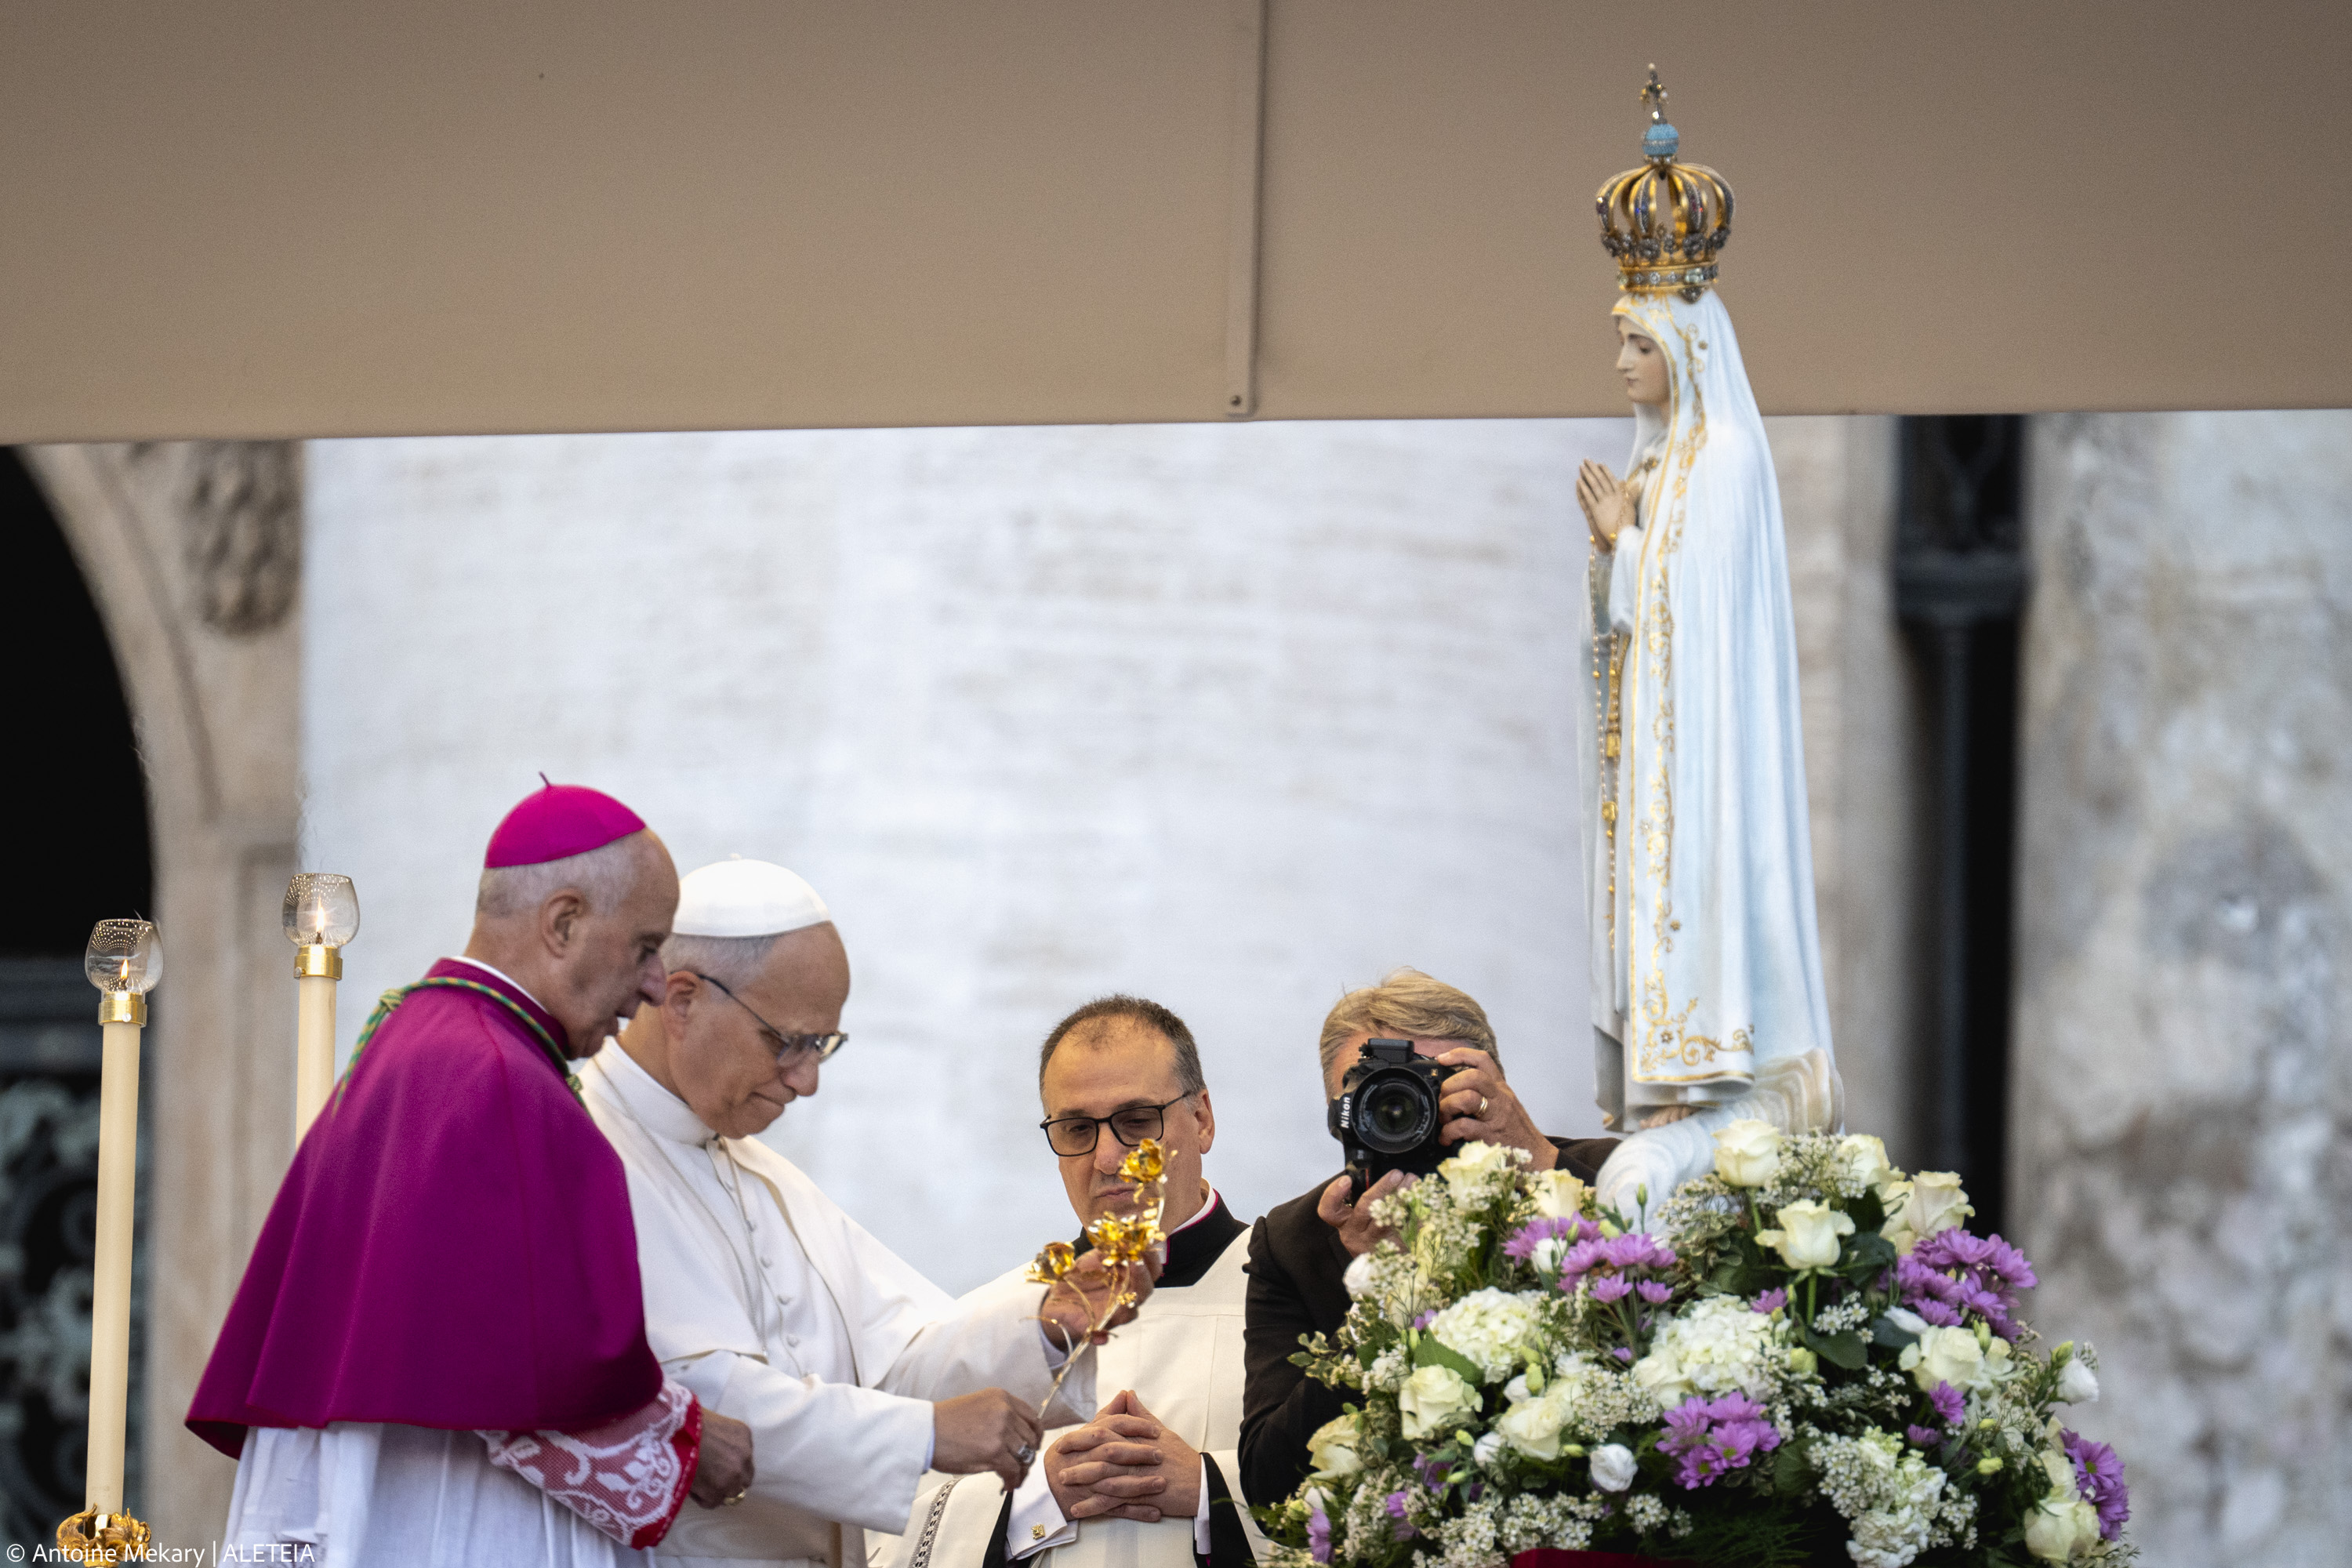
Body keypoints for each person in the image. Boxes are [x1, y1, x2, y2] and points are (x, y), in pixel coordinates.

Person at [191, 780, 757, 1563]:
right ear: (564, 922)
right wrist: (687, 1436)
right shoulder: (500, 1078)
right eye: (645, 947)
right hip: (449, 1513)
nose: (656, 985)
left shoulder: (422, 1036)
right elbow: (533, 1369)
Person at [580, 859, 1152, 1568]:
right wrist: (924, 1435)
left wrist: (1044, 1325)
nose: (807, 1081)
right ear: (684, 999)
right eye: (788, 1041)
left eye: (822, 1046)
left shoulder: (762, 1173)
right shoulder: (580, 1153)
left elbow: (892, 1365)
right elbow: (696, 1406)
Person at [1573, 76, 1842, 1222]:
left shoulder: (1720, 458)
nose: (1623, 363)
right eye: (1621, 341)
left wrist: (1626, 543)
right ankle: (1673, 1088)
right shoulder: (1663, 458)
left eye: (1638, 343)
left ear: (1684, 346)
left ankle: (1718, 1067)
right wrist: (1616, 553)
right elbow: (1635, 624)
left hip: (1702, 765)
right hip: (1656, 763)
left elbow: (1695, 616)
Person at [887, 996, 1266, 1568]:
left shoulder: (1304, 1300)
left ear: (1202, 1119)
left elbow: (1382, 1503)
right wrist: (1035, 1496)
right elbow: (879, 1534)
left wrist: (1210, 1489)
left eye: (1137, 1121)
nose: (1108, 1158)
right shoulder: (990, 1329)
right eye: (1077, 1128)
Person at [1234, 970, 1617, 1509]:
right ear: (1337, 1113)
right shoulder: (1294, 1241)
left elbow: (1675, 1292)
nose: (1405, 1109)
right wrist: (1378, 1295)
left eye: (1434, 1086)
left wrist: (1539, 1162)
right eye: (1373, 1091)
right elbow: (1271, 1488)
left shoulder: (1612, 1174)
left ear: (1495, 1088)